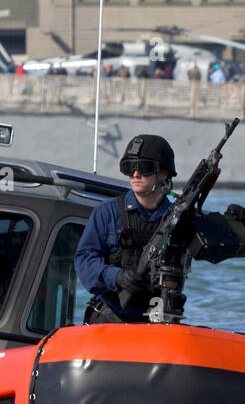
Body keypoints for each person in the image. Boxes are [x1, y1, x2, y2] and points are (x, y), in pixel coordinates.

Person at [74, 134, 177, 324]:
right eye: (130, 169)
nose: (135, 175)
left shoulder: (177, 218)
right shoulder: (107, 213)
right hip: (112, 318)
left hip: (160, 322)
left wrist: (232, 223)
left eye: (143, 169)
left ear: (163, 174)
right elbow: (84, 262)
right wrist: (116, 276)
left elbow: (212, 248)